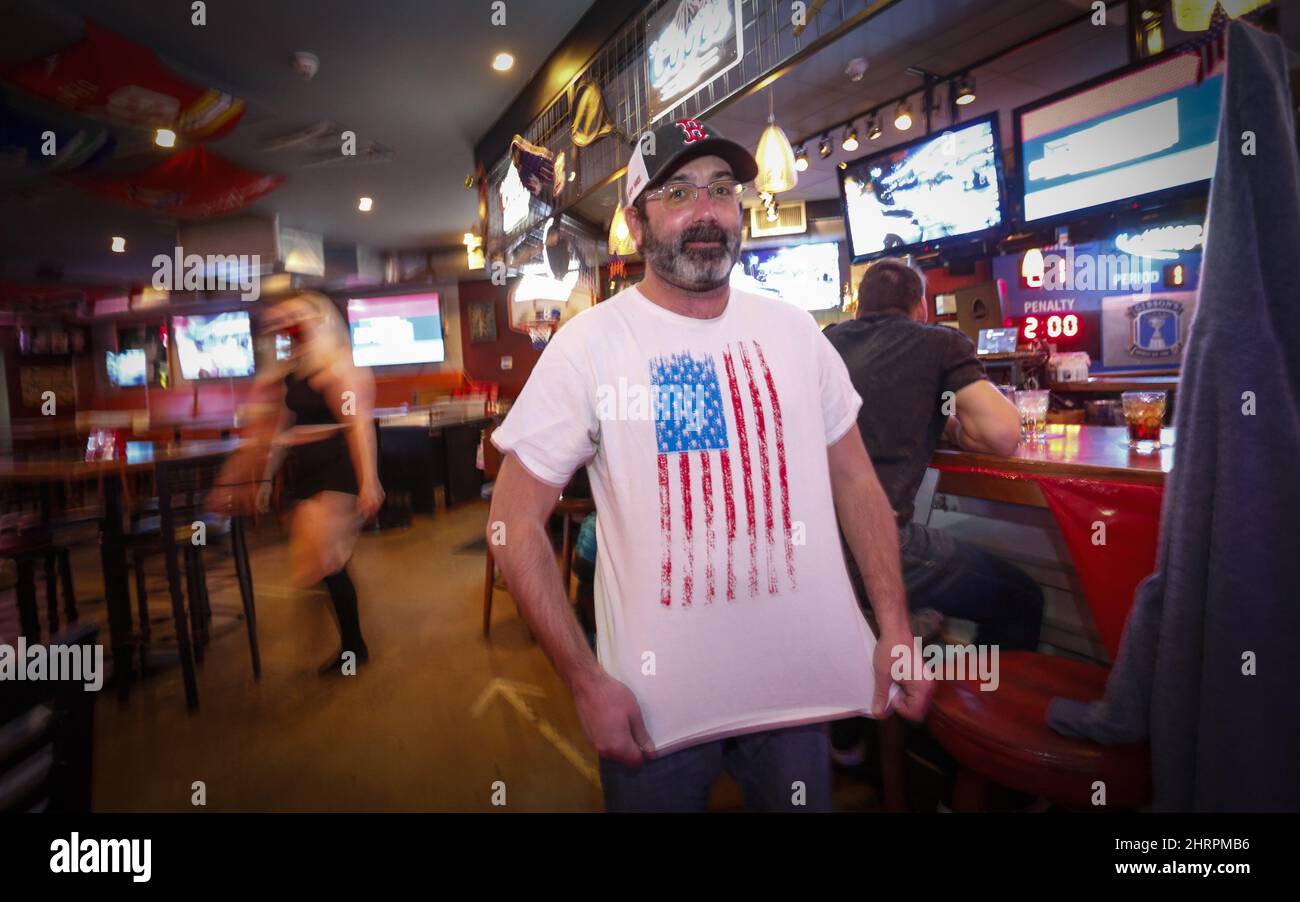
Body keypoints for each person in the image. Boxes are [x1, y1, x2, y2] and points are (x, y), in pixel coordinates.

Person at [489, 119, 932, 813]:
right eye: (678, 192)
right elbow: (514, 523)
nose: (705, 210)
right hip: (653, 705)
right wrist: (583, 679)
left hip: (795, 690)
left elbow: (855, 482)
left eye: (721, 190)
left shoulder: (794, 332)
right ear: (636, 225)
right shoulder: (589, 346)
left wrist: (895, 625)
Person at [824, 258, 1044, 652]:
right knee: (1023, 599)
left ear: (858, 307)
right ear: (921, 307)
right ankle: (979, 702)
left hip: (811, 548)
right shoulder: (938, 342)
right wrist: (957, 429)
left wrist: (939, 415)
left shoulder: (825, 342)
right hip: (877, 543)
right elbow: (1003, 433)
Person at [210, 292, 384, 675]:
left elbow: (358, 425)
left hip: (337, 464)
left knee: (325, 556)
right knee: (319, 562)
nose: (287, 330)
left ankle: (353, 647)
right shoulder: (292, 369)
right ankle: (349, 639)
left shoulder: (337, 366)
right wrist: (263, 478)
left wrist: (369, 479)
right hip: (303, 467)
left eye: (295, 321)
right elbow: (276, 429)